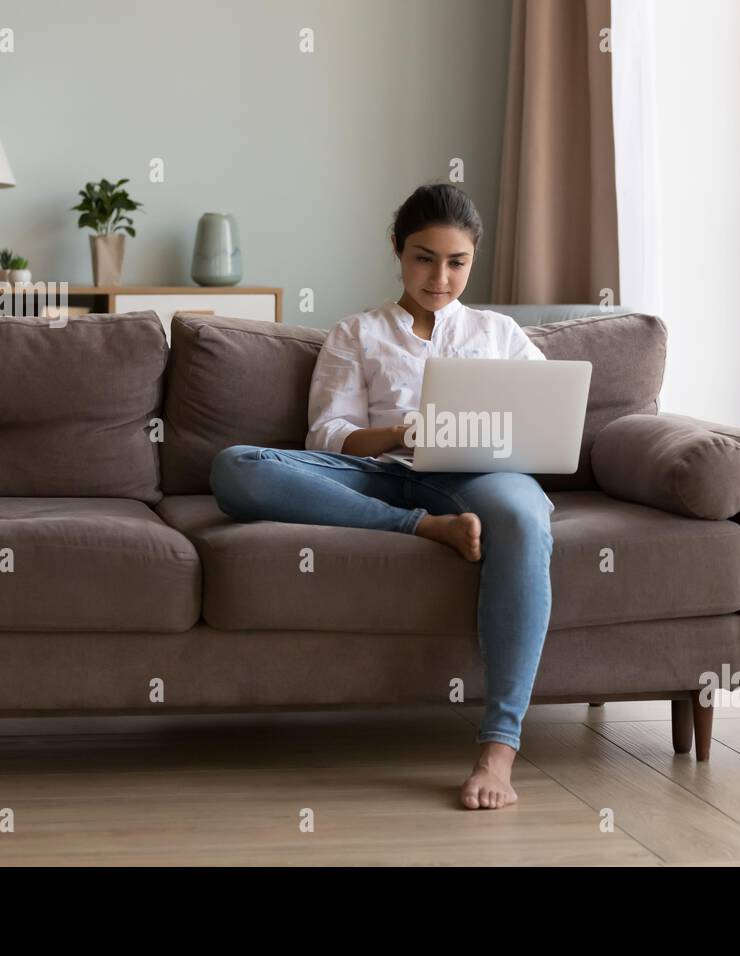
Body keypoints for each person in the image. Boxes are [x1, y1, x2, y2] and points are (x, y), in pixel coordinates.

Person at [210, 183, 554, 810]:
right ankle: (419, 526)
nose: (440, 277)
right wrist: (401, 432)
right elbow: (328, 435)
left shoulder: (500, 333)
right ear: (398, 251)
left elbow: (548, 418)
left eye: (457, 262)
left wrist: (487, 441)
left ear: (473, 260)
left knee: (526, 518)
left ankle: (498, 748)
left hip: (474, 476)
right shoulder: (357, 332)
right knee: (237, 467)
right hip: (379, 473)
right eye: (425, 257)